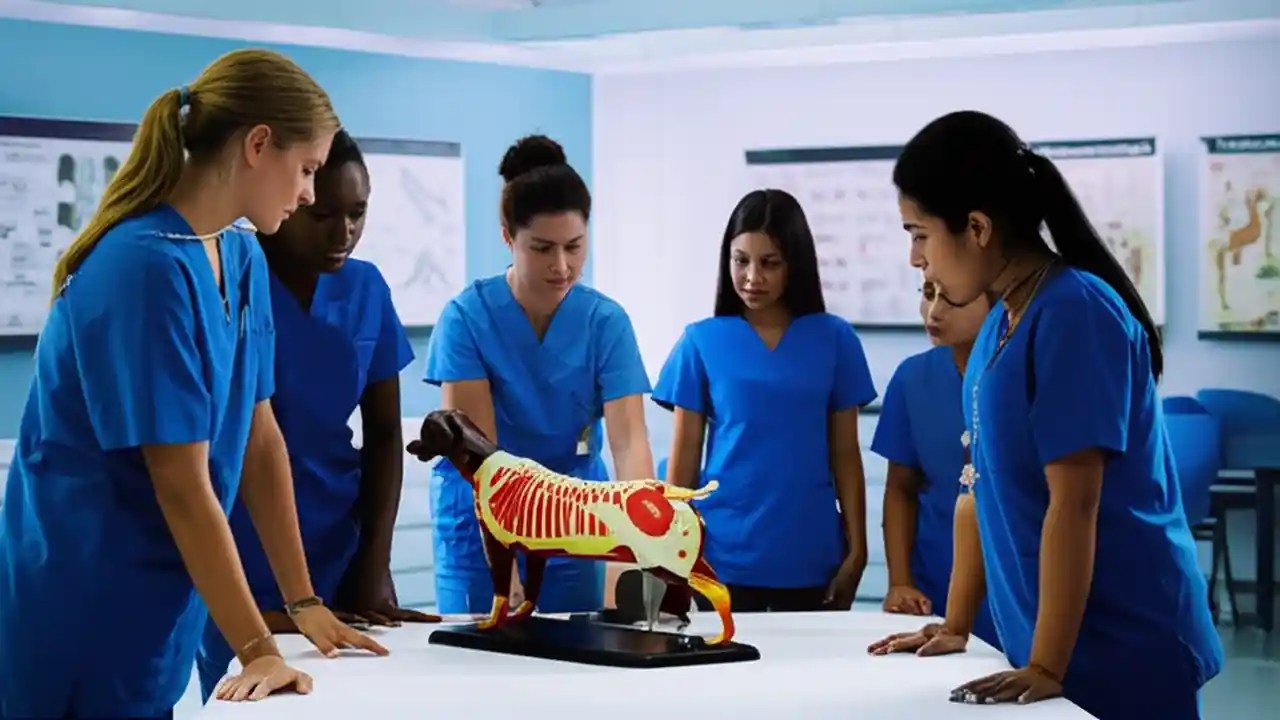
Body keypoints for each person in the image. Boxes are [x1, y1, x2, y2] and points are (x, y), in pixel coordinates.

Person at [0, 49, 388, 720]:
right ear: (258, 145)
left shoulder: (237, 256)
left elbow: (261, 437)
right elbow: (180, 481)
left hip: (163, 602)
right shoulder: (141, 268)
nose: (306, 194)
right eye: (306, 171)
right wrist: (256, 645)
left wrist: (302, 600)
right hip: (82, 595)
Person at [867, 110, 1222, 719]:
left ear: (975, 227)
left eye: (919, 233)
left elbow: (1075, 502)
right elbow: (975, 492)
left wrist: (1046, 664)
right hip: (1046, 642)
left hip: (1122, 639)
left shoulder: (1075, 312)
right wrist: (956, 624)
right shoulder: (997, 328)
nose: (915, 258)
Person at [195, 129, 437, 701]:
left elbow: (383, 435)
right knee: (245, 701)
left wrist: (374, 564)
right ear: (293, 199)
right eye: (325, 214)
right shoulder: (228, 276)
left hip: (339, 542)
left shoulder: (366, 288)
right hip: (239, 543)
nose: (344, 233)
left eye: (358, 214)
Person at [423, 134, 655, 616]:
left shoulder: (605, 322)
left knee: (575, 660)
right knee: (483, 652)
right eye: (542, 249)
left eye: (575, 246)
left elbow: (630, 442)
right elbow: (477, 456)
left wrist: (648, 549)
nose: (562, 266)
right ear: (508, 237)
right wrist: (504, 573)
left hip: (572, 512)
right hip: (481, 516)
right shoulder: (467, 318)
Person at [651, 189, 876, 613]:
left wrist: (858, 550)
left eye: (770, 263)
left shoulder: (835, 339)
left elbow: (846, 454)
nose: (753, 276)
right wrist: (670, 556)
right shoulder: (701, 340)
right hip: (723, 557)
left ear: (797, 264)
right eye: (741, 261)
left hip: (812, 556)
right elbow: (683, 463)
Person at [871, 278, 1001, 651]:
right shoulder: (913, 379)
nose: (934, 311)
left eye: (953, 299)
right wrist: (900, 581)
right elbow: (900, 488)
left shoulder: (1019, 378)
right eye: (928, 295)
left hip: (1012, 590)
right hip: (933, 592)